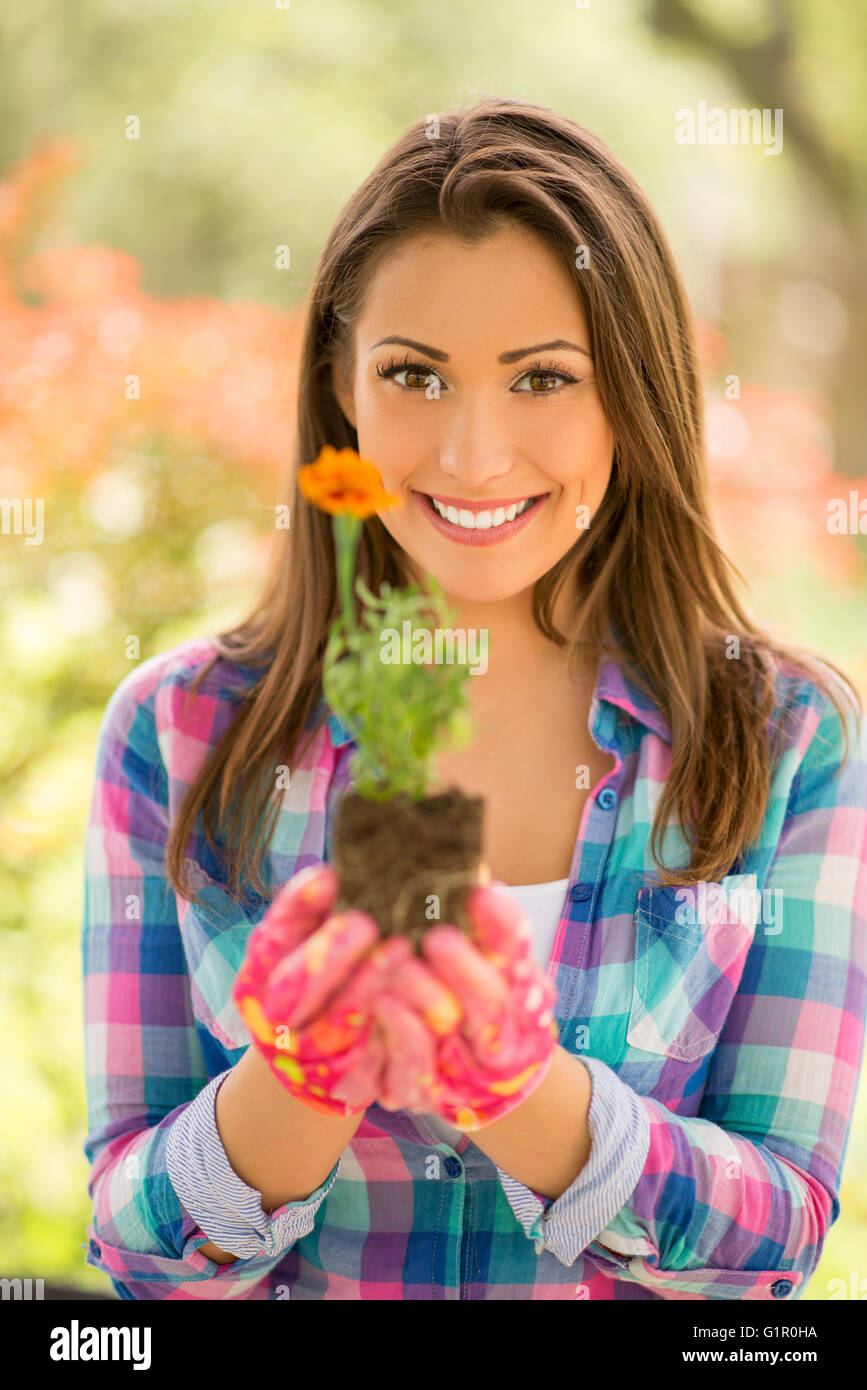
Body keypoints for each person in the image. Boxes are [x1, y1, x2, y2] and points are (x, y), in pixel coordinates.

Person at [81, 96, 867, 1301]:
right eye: (416, 375)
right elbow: (135, 1258)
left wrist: (518, 1088)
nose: (472, 455)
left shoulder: (784, 741)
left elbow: (774, 1257)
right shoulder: (180, 734)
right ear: (344, 386)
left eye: (545, 378)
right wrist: (300, 1074)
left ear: (632, 397)